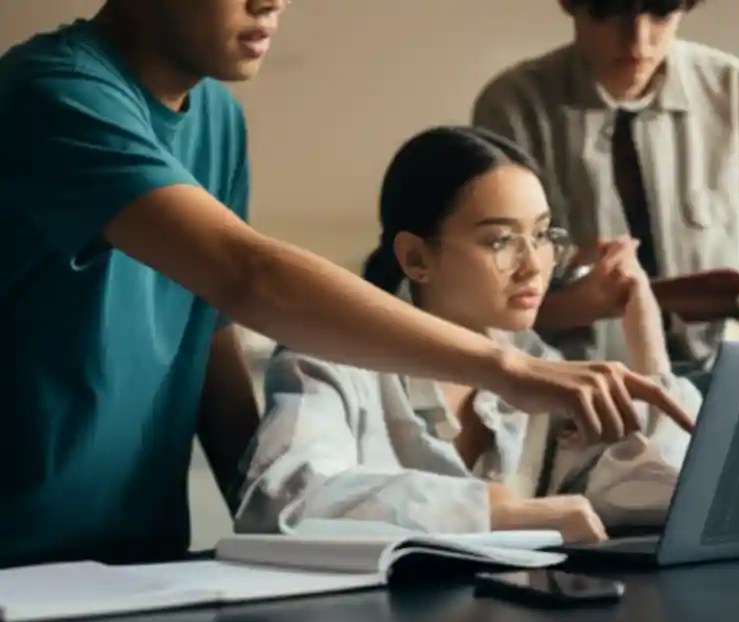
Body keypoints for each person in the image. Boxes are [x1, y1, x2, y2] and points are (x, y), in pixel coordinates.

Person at [0, 0, 692, 569]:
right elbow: (247, 276)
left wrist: (268, 504)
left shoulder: (216, 117)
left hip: (137, 557)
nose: (271, 3)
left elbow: (208, 324)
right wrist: (509, 368)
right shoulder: (52, 95)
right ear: (414, 257)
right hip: (21, 556)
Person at [236, 127, 700, 543]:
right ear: (417, 258)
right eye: (500, 241)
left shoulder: (540, 364)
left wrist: (647, 342)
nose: (534, 264)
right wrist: (499, 511)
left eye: (541, 235)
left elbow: (673, 492)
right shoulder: (328, 357)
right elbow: (279, 503)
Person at [472, 0, 739, 370]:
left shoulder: (731, 90)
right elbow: (489, 297)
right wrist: (585, 300)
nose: (638, 41)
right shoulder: (514, 105)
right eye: (611, 13)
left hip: (718, 372)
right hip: (574, 387)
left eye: (661, 13)